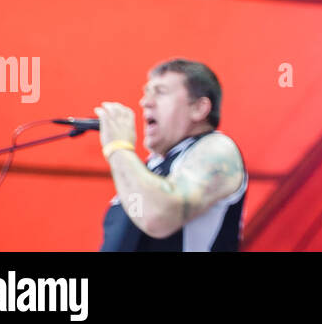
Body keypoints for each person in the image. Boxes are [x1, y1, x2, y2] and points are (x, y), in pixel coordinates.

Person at [96, 58, 246, 252]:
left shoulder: (216, 148)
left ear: (199, 108)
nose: (145, 102)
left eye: (160, 92)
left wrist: (118, 147)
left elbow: (159, 215)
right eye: (146, 93)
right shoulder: (150, 167)